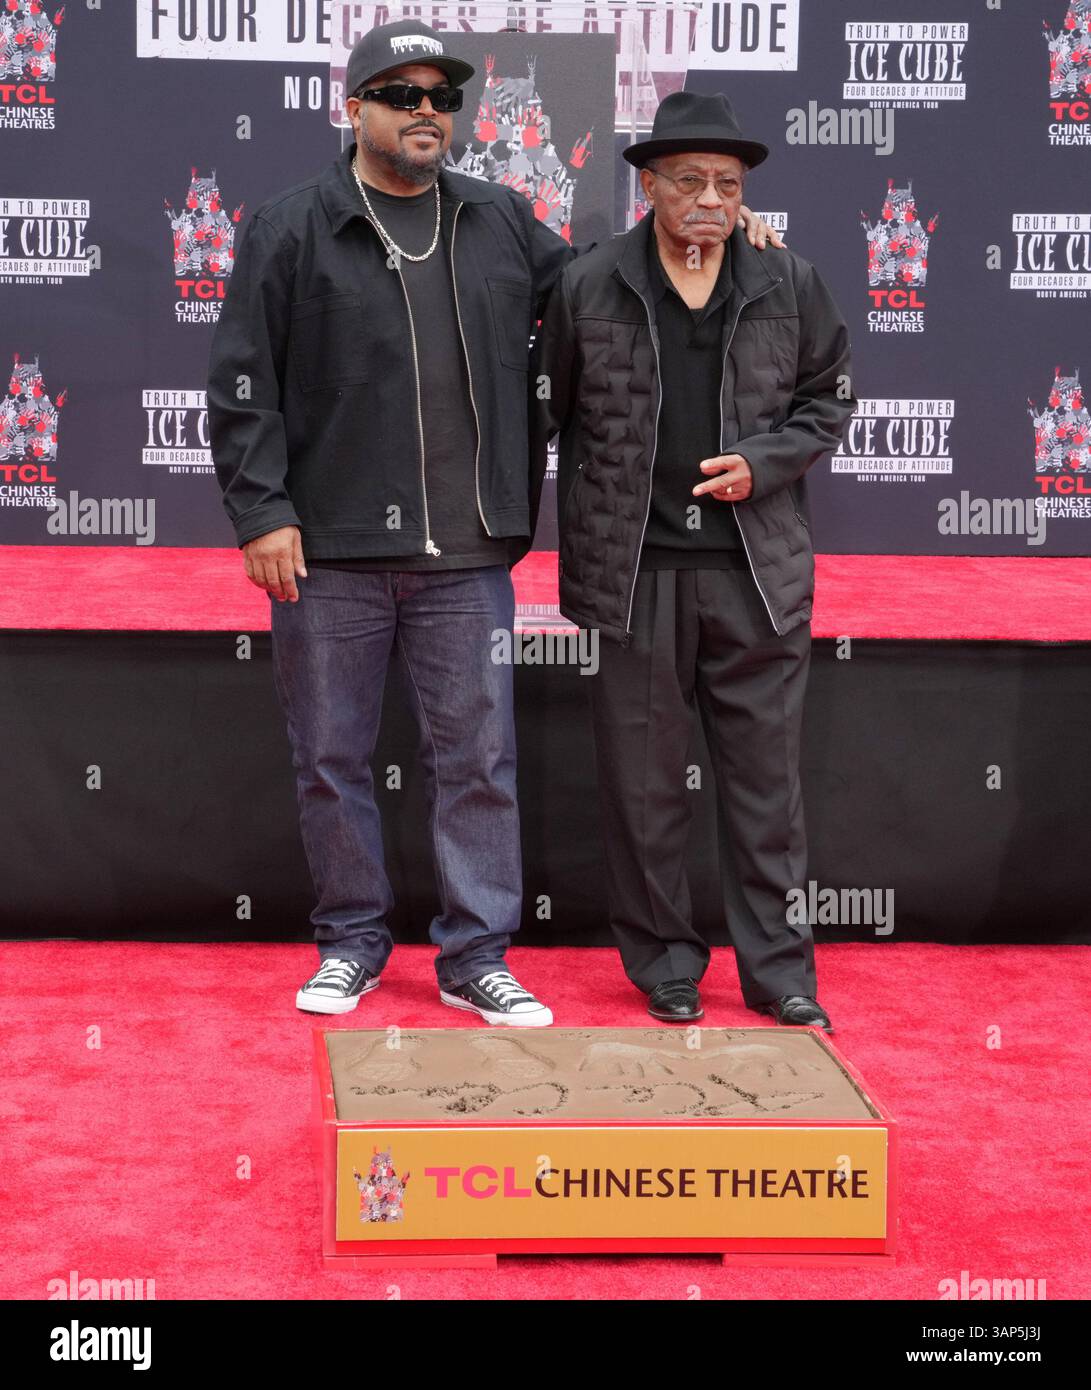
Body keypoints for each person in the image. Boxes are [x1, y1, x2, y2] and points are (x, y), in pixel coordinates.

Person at [208, 20, 780, 1025]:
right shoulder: (290, 225)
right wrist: (262, 510)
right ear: (355, 109)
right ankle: (349, 941)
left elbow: (609, 290)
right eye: (402, 94)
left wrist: (713, 223)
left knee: (475, 759)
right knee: (330, 757)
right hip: (330, 546)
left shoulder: (500, 217)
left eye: (442, 97)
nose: (427, 112)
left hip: (467, 552)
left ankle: (475, 954)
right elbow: (243, 385)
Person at [534, 91, 857, 1032]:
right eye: (689, 181)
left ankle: (779, 973)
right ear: (648, 186)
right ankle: (665, 964)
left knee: (766, 790)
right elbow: (543, 406)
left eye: (727, 183)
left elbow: (827, 396)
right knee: (642, 792)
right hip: (633, 575)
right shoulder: (590, 281)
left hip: (756, 576)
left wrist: (765, 464)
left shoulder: (784, 278)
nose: (709, 198)